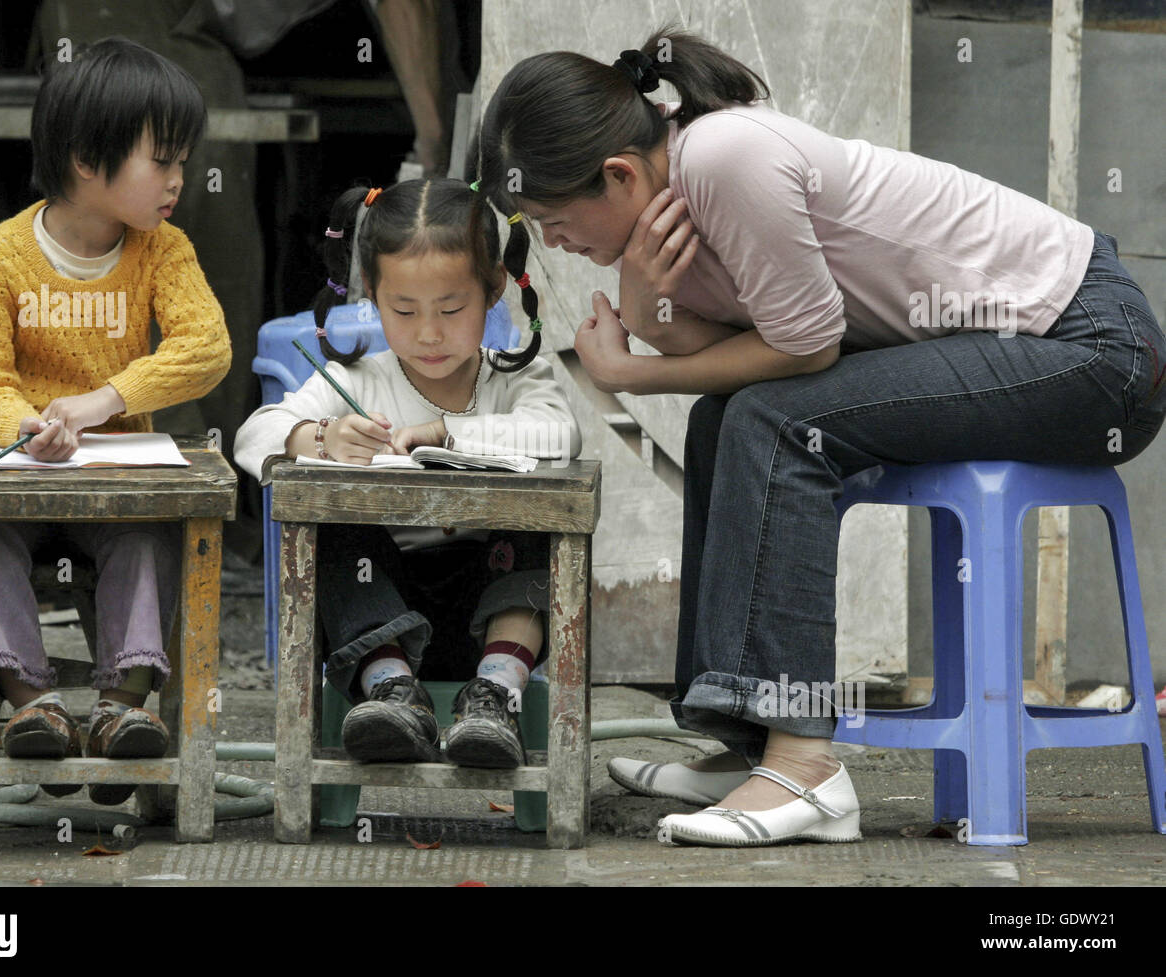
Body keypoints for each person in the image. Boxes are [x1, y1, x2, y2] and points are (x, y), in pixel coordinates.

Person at [474, 26, 1166, 845]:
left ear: (619, 174)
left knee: (781, 424)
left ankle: (807, 768)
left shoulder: (726, 159)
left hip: (1093, 351)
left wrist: (628, 373)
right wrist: (642, 303)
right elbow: (733, 359)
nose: (554, 244)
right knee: (723, 420)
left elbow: (806, 351)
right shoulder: (669, 210)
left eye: (553, 220)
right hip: (1010, 350)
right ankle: (750, 743)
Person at [0, 37, 231, 805]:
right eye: (162, 162)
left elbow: (207, 348)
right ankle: (27, 702)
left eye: (181, 162)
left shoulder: (162, 251)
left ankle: (121, 707)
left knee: (144, 534)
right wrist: (31, 425)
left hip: (115, 481)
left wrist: (104, 401)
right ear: (83, 157)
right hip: (21, 480)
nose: (177, 181)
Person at [234, 178, 581, 768]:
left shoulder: (515, 376)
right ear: (371, 294)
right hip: (379, 619)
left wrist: (449, 434)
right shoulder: (361, 378)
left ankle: (493, 700)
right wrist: (318, 437)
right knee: (333, 532)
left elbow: (559, 435)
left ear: (494, 288)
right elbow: (252, 435)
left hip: (491, 620)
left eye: (452, 308)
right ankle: (394, 698)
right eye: (403, 310)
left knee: (537, 533)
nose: (429, 333)